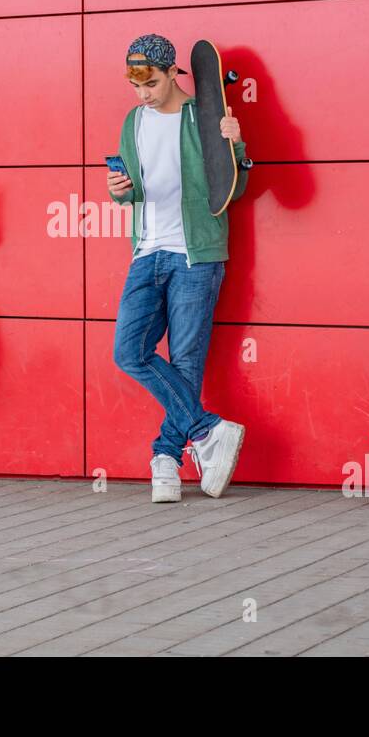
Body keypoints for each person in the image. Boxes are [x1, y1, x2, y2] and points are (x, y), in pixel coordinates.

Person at [107, 34, 254, 504]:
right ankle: (209, 430)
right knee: (130, 352)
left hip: (196, 253)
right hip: (147, 251)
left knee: (187, 361)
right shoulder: (133, 121)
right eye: (137, 86)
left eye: (151, 83)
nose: (144, 94)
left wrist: (237, 145)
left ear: (174, 73)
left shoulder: (203, 115)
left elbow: (234, 186)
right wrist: (119, 189)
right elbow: (133, 191)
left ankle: (166, 459)